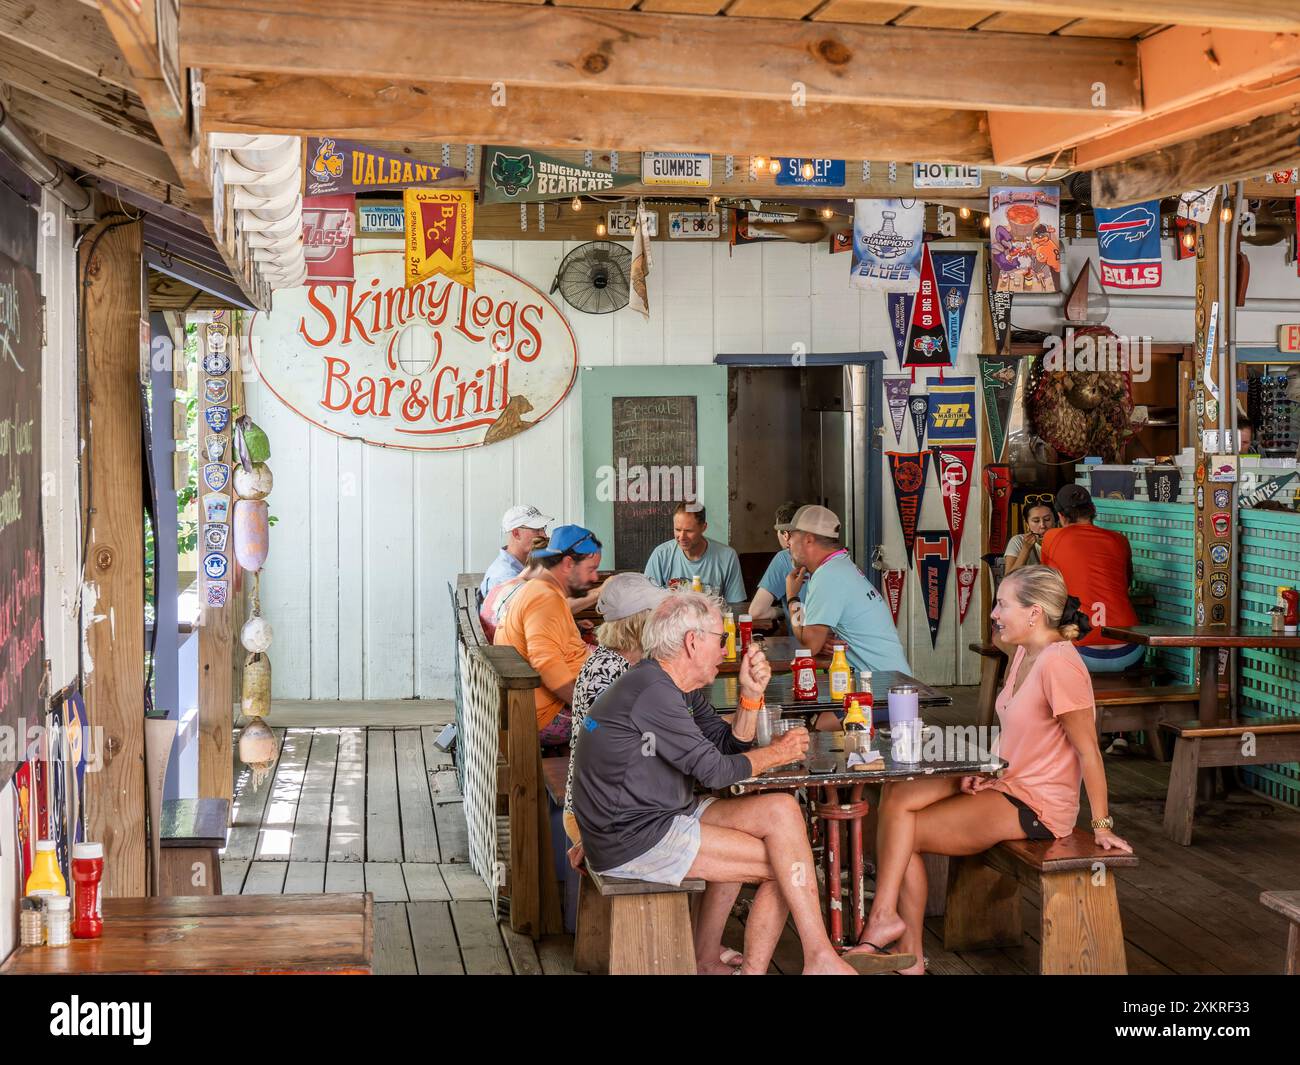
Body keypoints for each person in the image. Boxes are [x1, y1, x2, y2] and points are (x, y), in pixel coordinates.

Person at [571, 591, 908, 975]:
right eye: (720, 638)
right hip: (634, 835)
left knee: (781, 809)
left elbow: (728, 743)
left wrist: (749, 697)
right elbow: (715, 772)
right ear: (692, 641)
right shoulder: (655, 693)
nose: (726, 649)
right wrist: (777, 754)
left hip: (657, 813)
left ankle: (733, 958)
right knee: (784, 865)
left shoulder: (671, 686)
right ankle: (789, 965)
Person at [850, 565, 1132, 974]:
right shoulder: (1022, 652)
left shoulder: (1059, 666)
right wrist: (988, 768)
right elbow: (1014, 728)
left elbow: (1089, 752)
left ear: (1034, 613)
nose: (994, 613)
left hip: (1037, 803)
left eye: (1002, 604)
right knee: (899, 794)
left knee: (901, 832)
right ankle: (894, 934)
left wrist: (1102, 824)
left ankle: (890, 930)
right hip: (1005, 781)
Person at [560, 574, 745, 974]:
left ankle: (702, 946)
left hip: (636, 804)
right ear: (640, 622)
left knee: (733, 831)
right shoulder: (616, 676)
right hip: (609, 813)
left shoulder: (647, 671)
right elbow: (644, 763)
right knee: (736, 840)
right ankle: (692, 949)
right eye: (660, 613)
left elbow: (693, 740)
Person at [493, 525, 601, 746]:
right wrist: (590, 716)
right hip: (549, 715)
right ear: (568, 564)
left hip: (540, 705)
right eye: (590, 569)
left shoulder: (542, 590)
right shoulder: (544, 598)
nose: (595, 577)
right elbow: (547, 666)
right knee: (633, 716)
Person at [782, 505, 910, 676]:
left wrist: (792, 597)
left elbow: (809, 646)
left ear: (808, 539)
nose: (787, 542)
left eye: (790, 535)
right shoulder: (840, 564)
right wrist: (822, 638)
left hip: (884, 688)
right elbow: (821, 638)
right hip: (889, 680)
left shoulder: (828, 575)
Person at [1040, 483, 1142, 673]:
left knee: (1034, 646)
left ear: (1060, 516)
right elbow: (1126, 584)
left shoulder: (1051, 538)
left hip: (1081, 651)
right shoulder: (1119, 540)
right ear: (1093, 510)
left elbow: (1048, 589)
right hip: (1130, 648)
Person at [644, 503, 746, 603]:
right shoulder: (661, 555)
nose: (682, 536)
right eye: (677, 530)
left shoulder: (727, 557)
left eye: (688, 531)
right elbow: (646, 602)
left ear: (703, 527)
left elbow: (735, 607)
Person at [480, 504, 553, 598]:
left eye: (543, 528)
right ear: (516, 533)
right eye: (537, 530)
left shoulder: (525, 564)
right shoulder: (503, 577)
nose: (544, 535)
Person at [748, 501, 800, 625]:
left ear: (786, 534)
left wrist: (782, 612)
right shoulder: (835, 558)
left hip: (801, 642)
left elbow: (756, 612)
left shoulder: (784, 557)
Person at [1003, 498, 1056, 577]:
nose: (1042, 525)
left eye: (1047, 519)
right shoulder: (1018, 541)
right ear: (1027, 524)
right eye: (1036, 521)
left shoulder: (1062, 541)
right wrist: (1025, 549)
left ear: (1055, 520)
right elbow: (1008, 579)